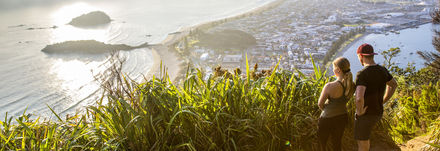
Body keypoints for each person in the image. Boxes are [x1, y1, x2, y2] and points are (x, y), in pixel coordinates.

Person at [354, 43, 397, 151]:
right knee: (367, 140)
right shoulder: (382, 70)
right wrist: (384, 100)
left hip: (366, 114)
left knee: (363, 145)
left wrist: (359, 112)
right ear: (372, 55)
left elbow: (359, 98)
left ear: (361, 56)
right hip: (378, 112)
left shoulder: (362, 74)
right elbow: (393, 85)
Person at [317, 57, 355, 151]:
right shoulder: (352, 85)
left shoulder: (330, 86)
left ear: (338, 69)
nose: (333, 70)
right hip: (342, 117)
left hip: (327, 119)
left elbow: (320, 104)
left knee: (322, 145)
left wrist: (328, 109)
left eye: (333, 68)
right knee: (337, 143)